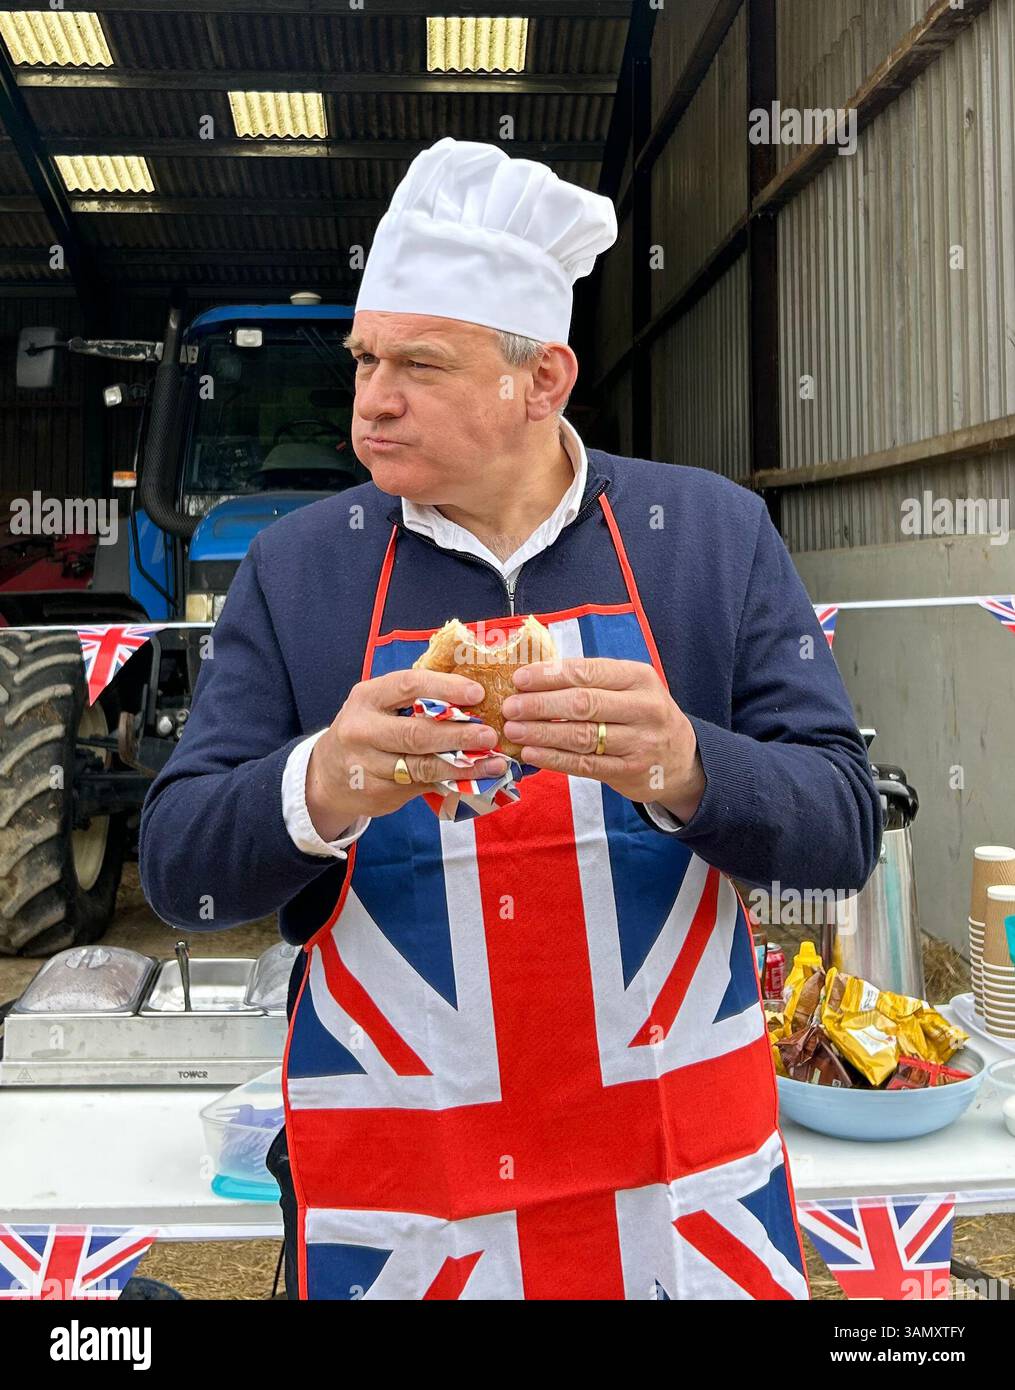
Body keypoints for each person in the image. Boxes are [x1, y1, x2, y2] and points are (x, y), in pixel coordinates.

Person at [139, 136, 881, 1301]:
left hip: (675, 1195)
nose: (370, 401)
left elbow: (840, 834)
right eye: (363, 359)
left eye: (419, 365)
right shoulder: (299, 572)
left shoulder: (711, 537)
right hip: (407, 1199)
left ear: (540, 381)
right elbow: (179, 875)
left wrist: (690, 766)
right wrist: (321, 782)